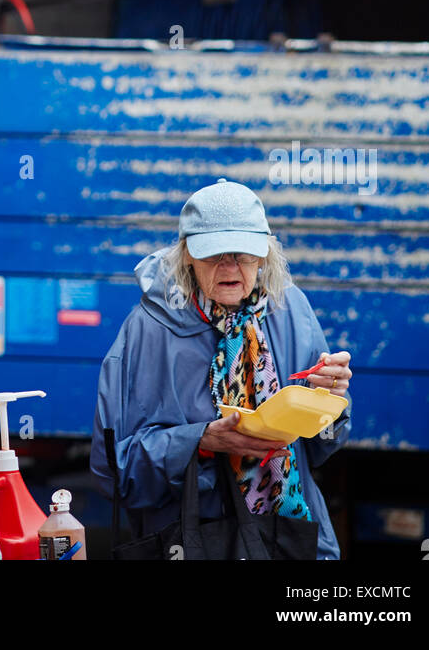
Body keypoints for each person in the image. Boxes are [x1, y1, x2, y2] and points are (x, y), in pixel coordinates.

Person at [90, 178, 352, 559]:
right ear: (187, 257)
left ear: (264, 255)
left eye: (243, 255)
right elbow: (113, 473)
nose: (230, 267)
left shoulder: (289, 307)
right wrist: (200, 442)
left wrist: (332, 401)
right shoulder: (148, 329)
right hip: (197, 543)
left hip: (290, 538)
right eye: (214, 255)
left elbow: (323, 446)